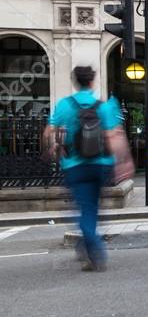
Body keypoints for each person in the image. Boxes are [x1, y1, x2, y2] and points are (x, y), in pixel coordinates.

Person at [44, 65, 132, 272]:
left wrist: (52, 148)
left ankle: (95, 251)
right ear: (92, 82)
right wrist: (124, 162)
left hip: (75, 166)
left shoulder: (64, 105)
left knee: (85, 208)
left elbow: (49, 131)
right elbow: (114, 137)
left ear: (76, 82)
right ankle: (86, 245)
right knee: (91, 206)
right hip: (100, 165)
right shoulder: (103, 106)